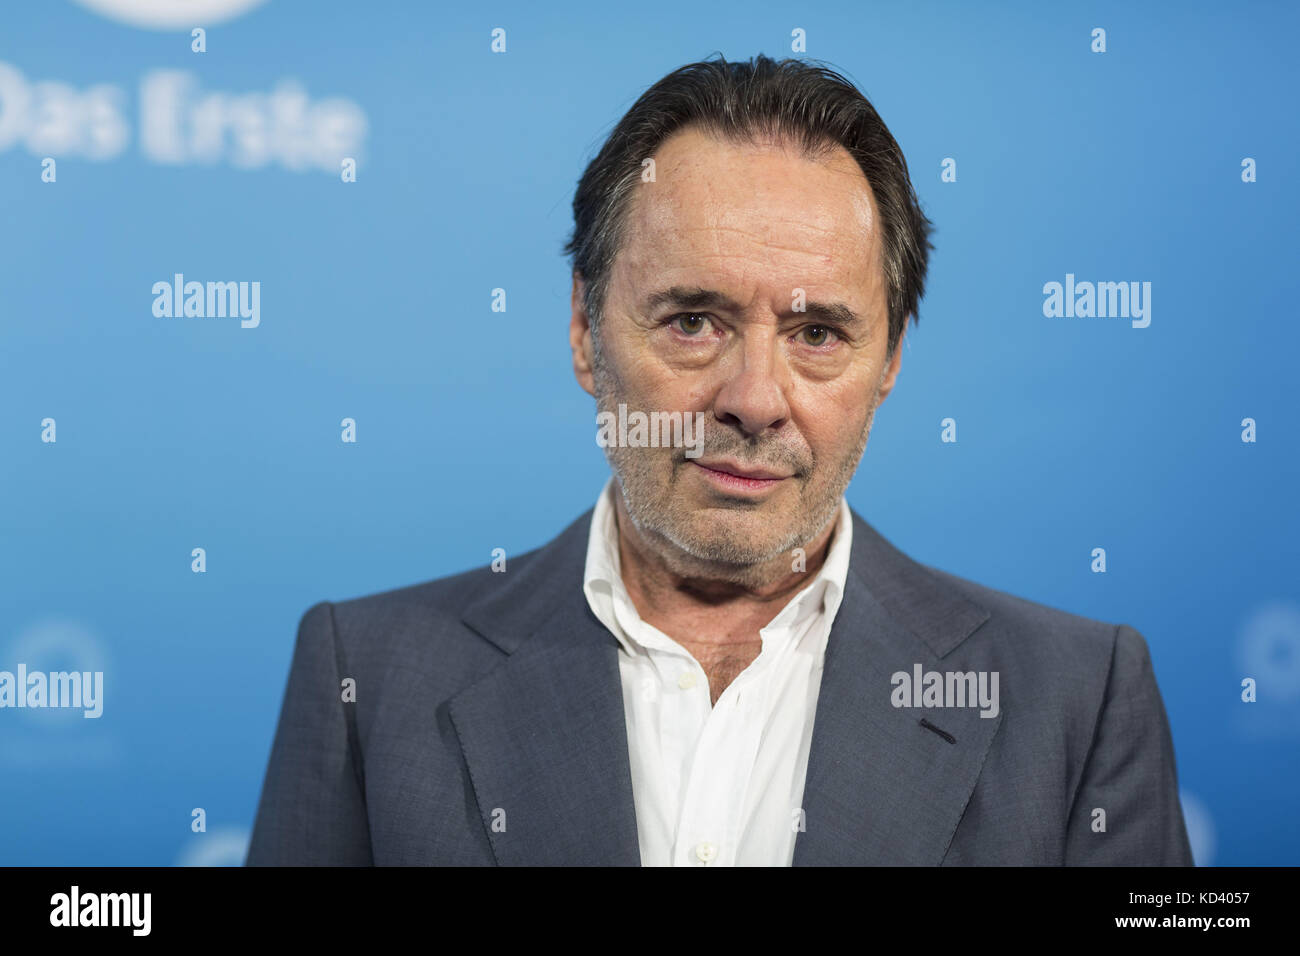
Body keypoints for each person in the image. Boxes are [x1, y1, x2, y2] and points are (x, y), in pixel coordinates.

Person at [247, 54, 1193, 866]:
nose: (754, 398)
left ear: (892, 360)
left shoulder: (1076, 702)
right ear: (585, 329)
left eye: (818, 332)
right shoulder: (366, 679)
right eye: (693, 321)